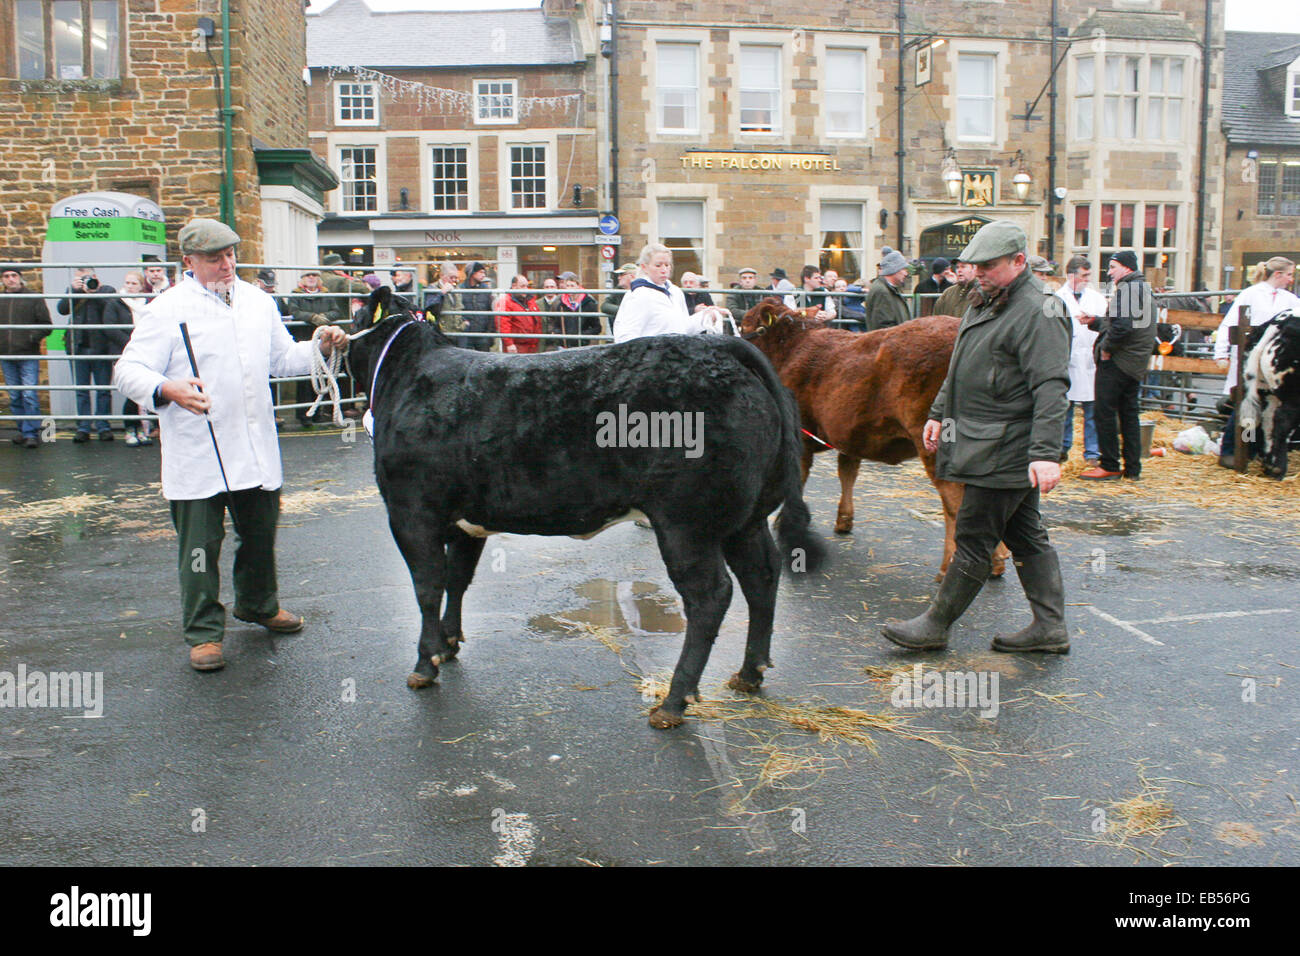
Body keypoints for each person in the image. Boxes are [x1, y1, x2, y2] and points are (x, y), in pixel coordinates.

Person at [113, 218, 348, 673]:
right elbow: (128, 370)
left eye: (230, 255)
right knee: (200, 545)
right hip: (197, 447)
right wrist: (168, 388)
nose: (226, 265)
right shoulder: (167, 308)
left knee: (260, 534)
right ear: (189, 261)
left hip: (253, 441)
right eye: (214, 258)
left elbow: (283, 359)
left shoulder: (259, 301)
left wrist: (320, 344)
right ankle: (203, 632)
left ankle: (259, 604)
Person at [881, 220, 1070, 655]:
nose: (978, 272)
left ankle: (935, 624)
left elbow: (1051, 386)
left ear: (1019, 261)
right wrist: (937, 412)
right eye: (975, 265)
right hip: (982, 439)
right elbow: (961, 366)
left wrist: (1045, 454)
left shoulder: (1040, 310)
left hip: (1006, 446)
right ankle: (1050, 628)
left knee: (973, 536)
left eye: (989, 265)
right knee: (1025, 535)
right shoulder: (986, 301)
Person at [1212, 256, 1298, 466]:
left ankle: (1259, 451)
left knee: (1268, 407)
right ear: (1277, 274)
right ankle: (1238, 451)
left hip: (1277, 362)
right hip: (1249, 358)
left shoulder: (1290, 299)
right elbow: (1229, 325)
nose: (1291, 279)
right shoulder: (1250, 294)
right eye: (1289, 274)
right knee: (1249, 404)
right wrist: (1221, 352)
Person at [1080, 251, 1157, 481]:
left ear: (1127, 268)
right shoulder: (1140, 288)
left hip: (1119, 362)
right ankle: (1132, 468)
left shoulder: (1130, 289)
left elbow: (1122, 327)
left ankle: (1110, 464)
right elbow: (1123, 322)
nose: (1110, 272)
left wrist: (1106, 349)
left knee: (1104, 412)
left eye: (1113, 267)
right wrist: (1095, 321)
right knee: (1129, 414)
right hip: (1134, 363)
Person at [58, 267, 125, 442]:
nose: (86, 281)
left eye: (87, 277)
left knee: (103, 390)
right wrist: (75, 290)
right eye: (81, 278)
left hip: (101, 347)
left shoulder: (107, 290)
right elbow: (62, 309)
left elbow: (111, 309)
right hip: (78, 347)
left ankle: (103, 426)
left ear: (95, 276)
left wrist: (95, 293)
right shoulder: (74, 291)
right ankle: (83, 427)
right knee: (81, 390)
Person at [612, 242, 727, 343]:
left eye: (667, 265)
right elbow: (625, 336)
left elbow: (683, 327)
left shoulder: (675, 292)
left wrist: (706, 315)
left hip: (675, 357)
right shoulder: (638, 295)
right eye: (658, 265)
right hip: (651, 361)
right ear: (644, 267)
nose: (664, 269)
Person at [1055, 256, 1107, 464]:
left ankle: (1092, 452)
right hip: (1066, 359)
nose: (1088, 278)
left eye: (1089, 275)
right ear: (1071, 275)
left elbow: (1105, 325)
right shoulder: (1056, 298)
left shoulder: (1097, 299)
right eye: (1084, 275)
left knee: (1092, 408)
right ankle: (1062, 448)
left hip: (1091, 359)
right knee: (1064, 408)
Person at [286, 268, 344, 426]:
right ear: (302, 279)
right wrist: (312, 317)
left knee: (322, 376)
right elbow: (294, 311)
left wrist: (324, 318)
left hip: (322, 340)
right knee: (304, 379)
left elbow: (336, 311)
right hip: (304, 338)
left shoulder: (326, 294)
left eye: (314, 275)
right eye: (308, 275)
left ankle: (318, 413)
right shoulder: (296, 295)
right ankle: (304, 415)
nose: (311, 278)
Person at [1, 266, 51, 448]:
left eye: (14, 275)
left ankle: (31, 432)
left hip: (28, 353)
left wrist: (31, 337)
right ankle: (23, 430)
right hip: (5, 354)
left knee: (29, 393)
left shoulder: (33, 297)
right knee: (14, 395)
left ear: (20, 278)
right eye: (6, 276)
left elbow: (46, 325)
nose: (10, 279)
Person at [117, 272, 156, 446]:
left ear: (141, 285)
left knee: (145, 390)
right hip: (125, 350)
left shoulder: (148, 303)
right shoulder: (117, 301)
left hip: (147, 351)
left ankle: (142, 428)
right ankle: (130, 428)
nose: (130, 286)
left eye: (134, 283)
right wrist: (132, 345)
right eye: (127, 283)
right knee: (131, 392)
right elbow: (111, 327)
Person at [864, 248, 911, 331]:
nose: (906, 273)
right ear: (894, 269)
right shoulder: (882, 291)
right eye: (903, 269)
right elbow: (883, 327)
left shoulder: (889, 289)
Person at [497, 274, 541, 354]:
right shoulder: (506, 301)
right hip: (516, 347)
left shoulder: (530, 301)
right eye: (523, 286)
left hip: (532, 346)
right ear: (514, 286)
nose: (526, 289)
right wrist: (509, 343)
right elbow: (503, 324)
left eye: (527, 286)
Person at [556, 270, 601, 347]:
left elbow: (597, 328)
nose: (569, 289)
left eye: (572, 286)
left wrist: (583, 335)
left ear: (578, 286)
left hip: (582, 346)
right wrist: (559, 336)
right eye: (567, 286)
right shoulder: (561, 305)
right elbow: (556, 325)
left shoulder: (589, 304)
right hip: (564, 346)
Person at [459, 261, 496, 351]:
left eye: (484, 272)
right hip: (466, 335)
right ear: (472, 273)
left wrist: (489, 333)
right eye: (480, 272)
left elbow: (490, 311)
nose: (483, 275)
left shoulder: (486, 290)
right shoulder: (460, 289)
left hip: (482, 334)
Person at [601, 263, 636, 337]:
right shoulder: (618, 290)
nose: (619, 278)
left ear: (632, 276)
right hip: (621, 331)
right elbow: (604, 306)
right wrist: (623, 311)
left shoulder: (641, 290)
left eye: (622, 275)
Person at [536, 276, 562, 352]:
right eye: (547, 287)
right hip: (541, 343)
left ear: (556, 288)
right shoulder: (536, 304)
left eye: (552, 286)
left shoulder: (562, 303)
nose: (549, 289)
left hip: (558, 343)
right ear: (543, 289)